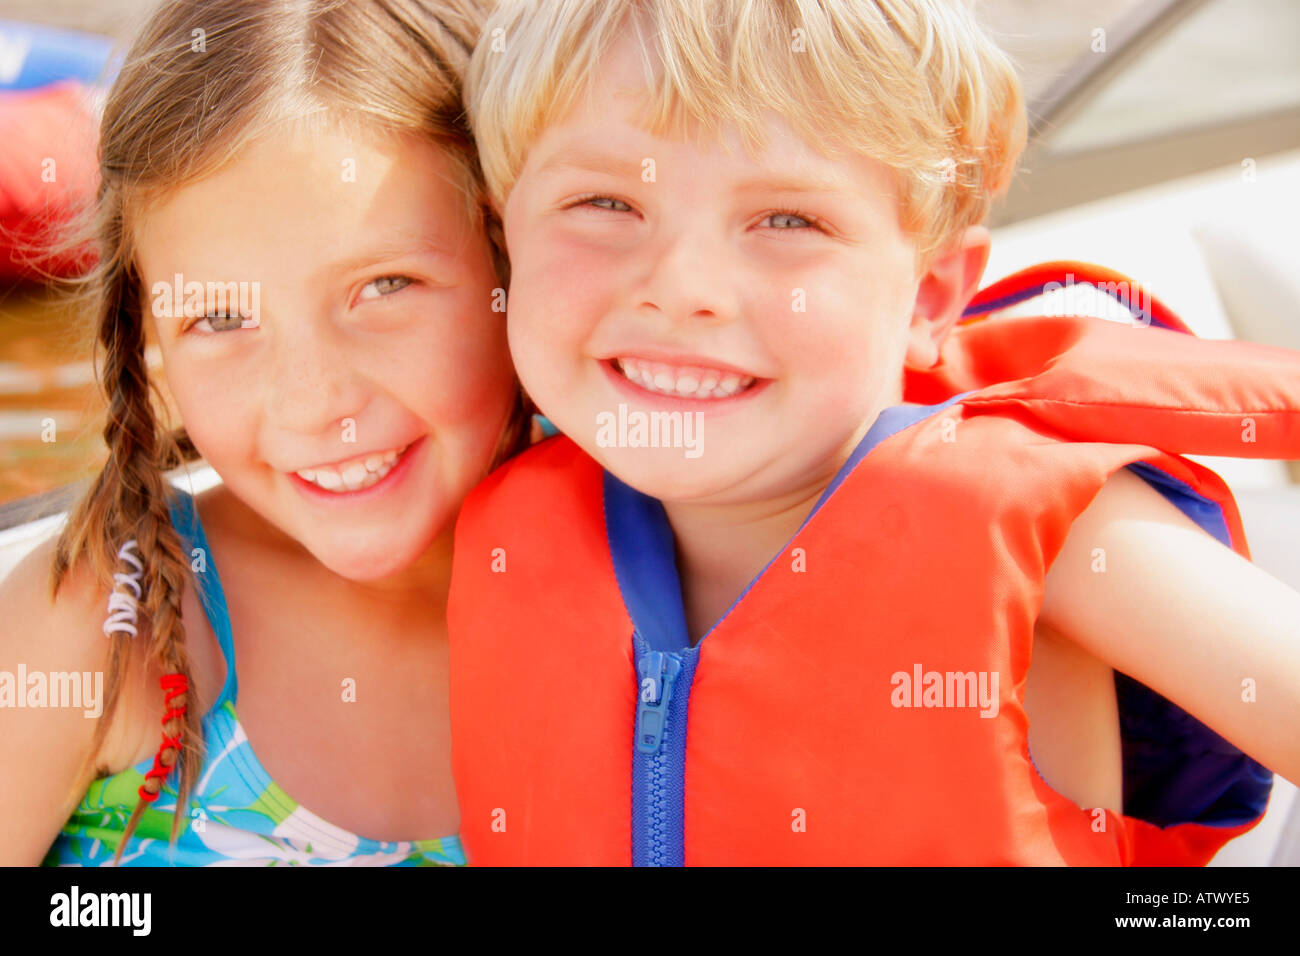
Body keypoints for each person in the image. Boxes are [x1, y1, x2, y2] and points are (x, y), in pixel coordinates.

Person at [447, 0, 1300, 864]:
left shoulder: (1056, 530)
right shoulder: (501, 520)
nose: (682, 286)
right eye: (603, 202)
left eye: (788, 221)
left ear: (929, 297)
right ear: (506, 242)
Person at [0, 0, 526, 866]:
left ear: (510, 251)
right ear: (147, 336)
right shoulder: (114, 624)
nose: (316, 401)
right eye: (220, 318)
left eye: (386, 286)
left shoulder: (644, 587)